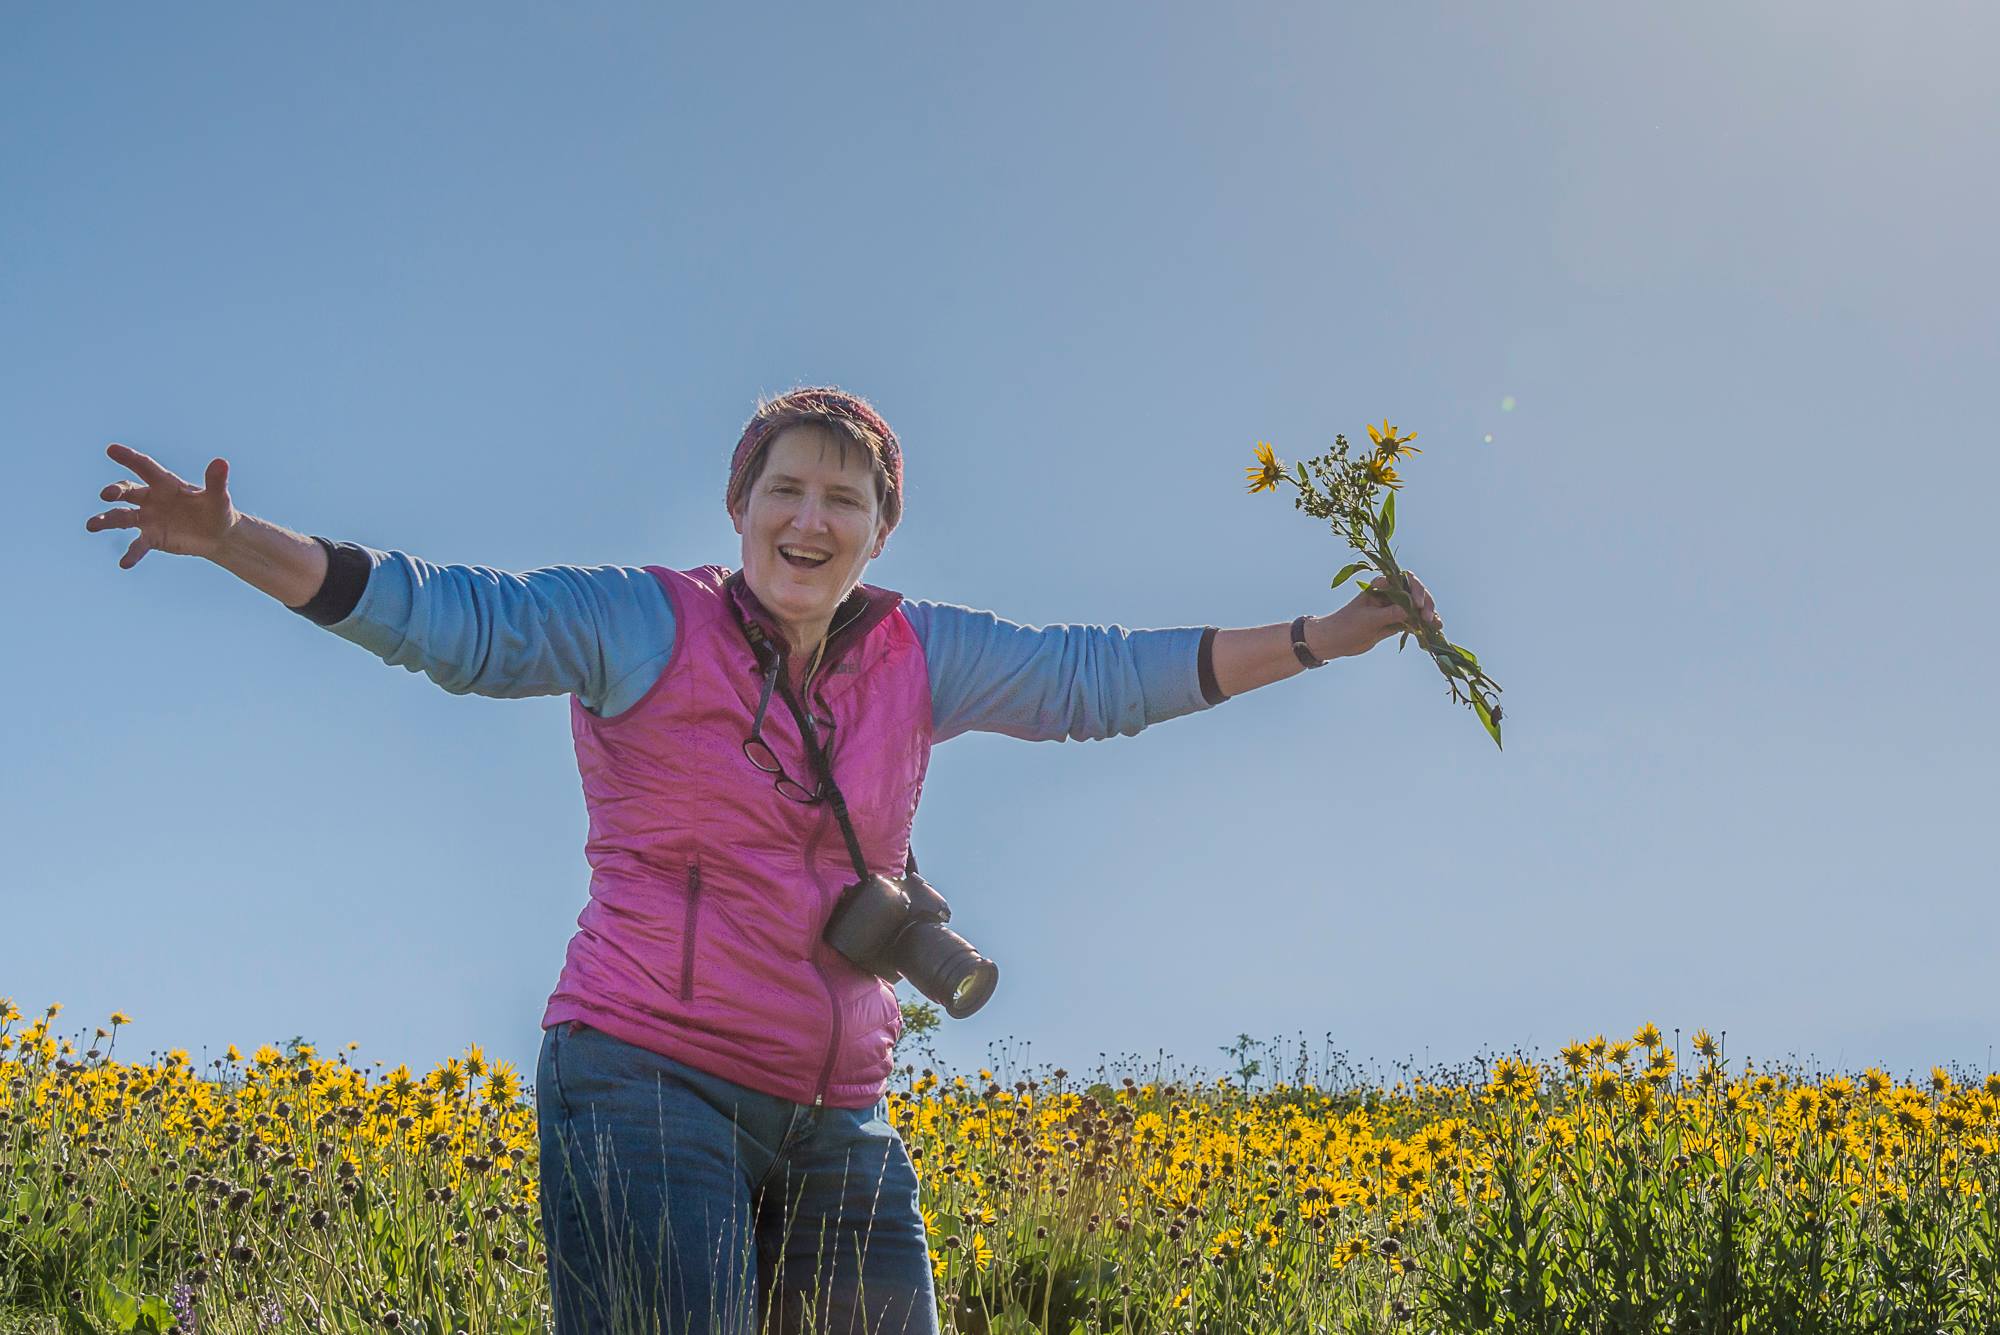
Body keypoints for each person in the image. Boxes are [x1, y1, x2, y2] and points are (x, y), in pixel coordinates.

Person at [85, 387, 1440, 1335]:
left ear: (879, 531)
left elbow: (1103, 677)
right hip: (644, 1084)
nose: (811, 517)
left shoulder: (924, 653)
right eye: (784, 489)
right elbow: (454, 621)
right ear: (738, 509)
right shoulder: (641, 625)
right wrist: (235, 543)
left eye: (842, 499)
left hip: (841, 1122)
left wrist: (1319, 638)